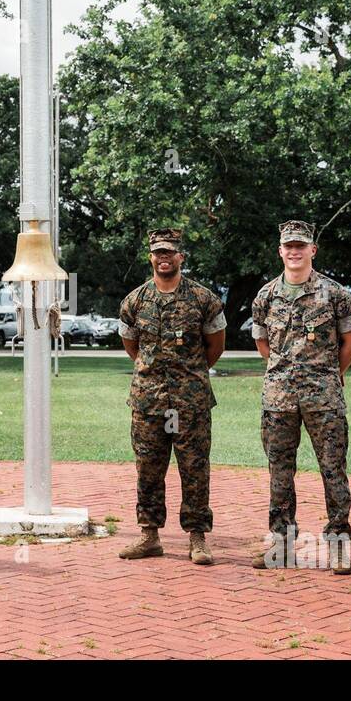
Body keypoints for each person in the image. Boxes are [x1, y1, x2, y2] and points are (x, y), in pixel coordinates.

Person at [250, 220, 351, 573]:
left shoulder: (335, 294)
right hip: (279, 400)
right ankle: (282, 545)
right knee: (280, 472)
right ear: (280, 251)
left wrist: (329, 374)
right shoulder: (266, 296)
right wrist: (284, 372)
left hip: (324, 399)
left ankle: (339, 547)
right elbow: (262, 342)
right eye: (289, 246)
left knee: (333, 470)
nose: (295, 251)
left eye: (301, 245)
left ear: (313, 250)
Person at [116, 227, 226, 565]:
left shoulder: (203, 299)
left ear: (181, 257)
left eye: (170, 252)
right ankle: (149, 535)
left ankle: (197, 537)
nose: (164, 258)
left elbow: (216, 346)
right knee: (148, 468)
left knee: (194, 468)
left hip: (190, 401)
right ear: (151, 257)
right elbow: (131, 346)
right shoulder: (135, 301)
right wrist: (154, 373)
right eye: (158, 253)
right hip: (149, 402)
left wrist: (187, 374)